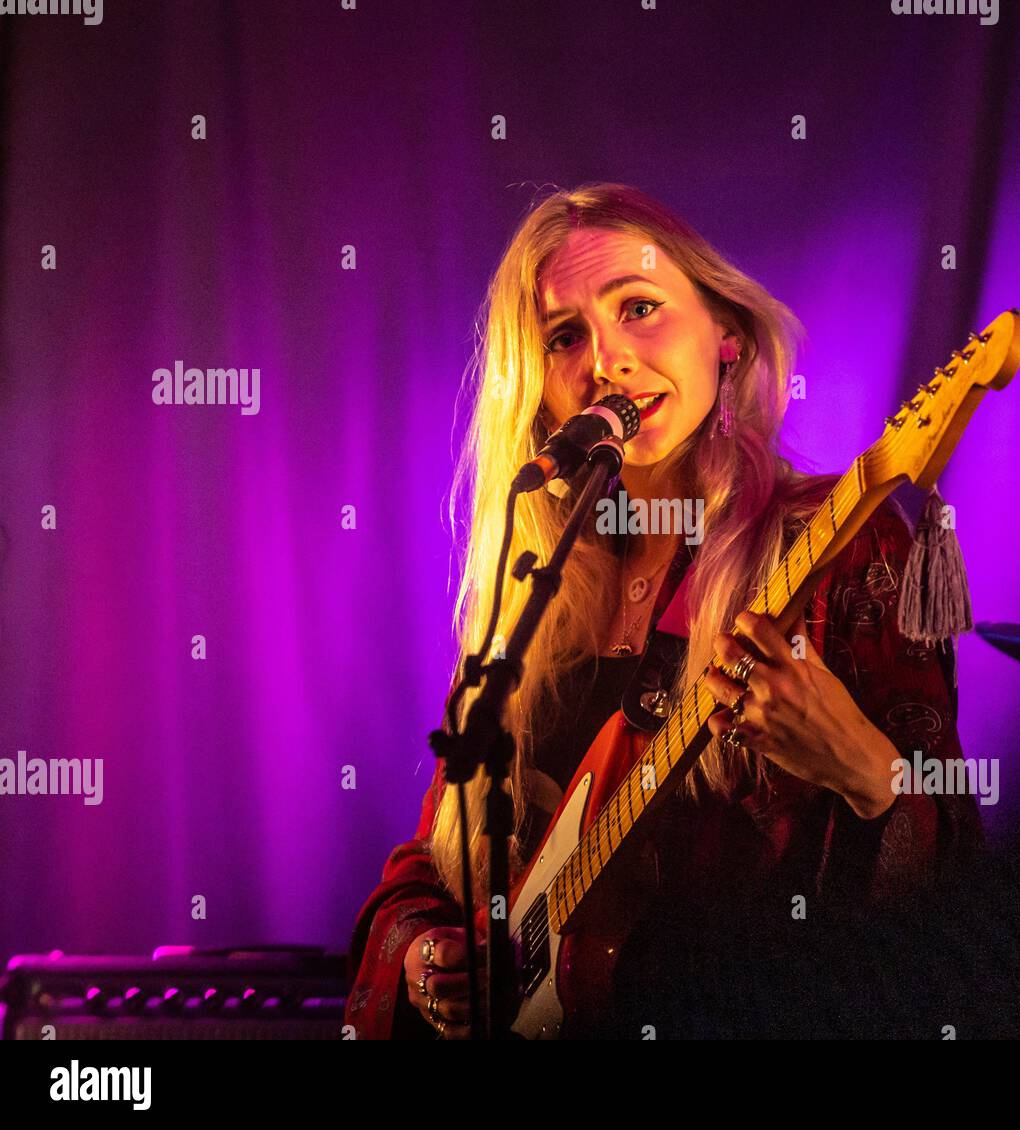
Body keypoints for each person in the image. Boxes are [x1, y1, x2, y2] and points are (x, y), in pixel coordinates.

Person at [345, 182, 983, 1040]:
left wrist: (868, 775)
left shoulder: (836, 551)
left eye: (639, 307)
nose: (605, 360)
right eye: (564, 336)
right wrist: (429, 956)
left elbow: (957, 885)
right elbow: (431, 859)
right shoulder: (535, 594)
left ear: (725, 334)